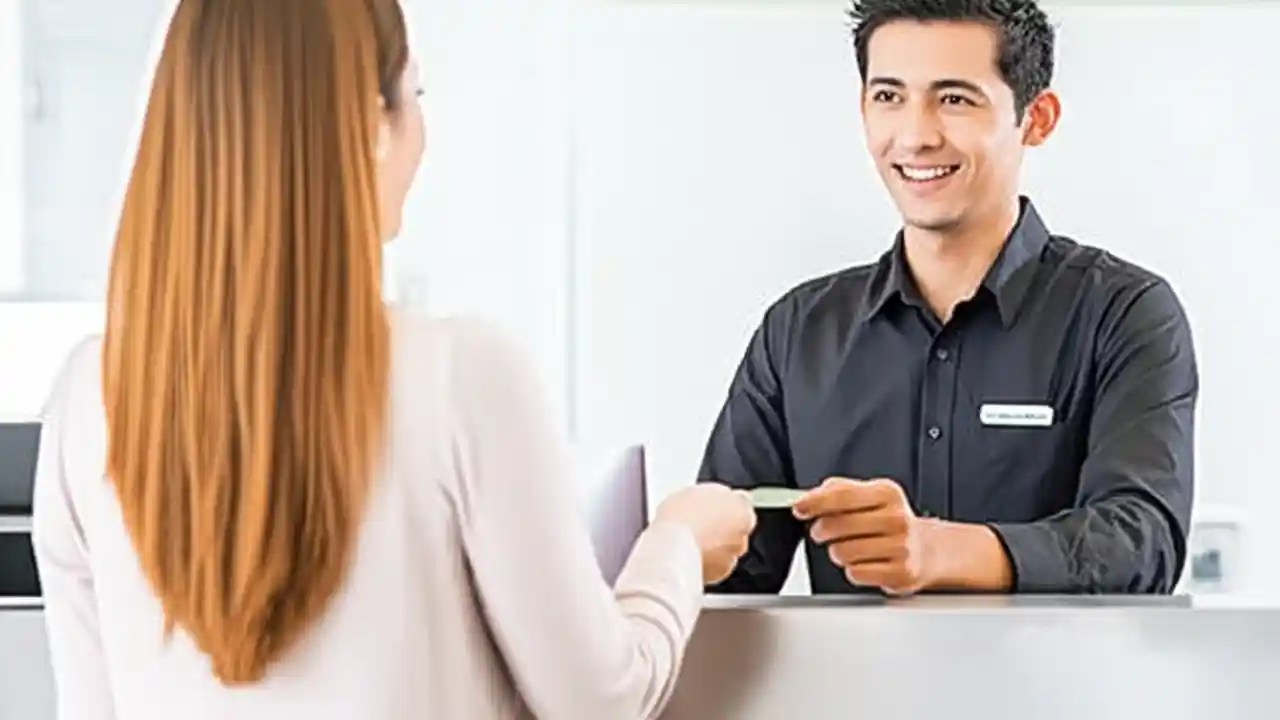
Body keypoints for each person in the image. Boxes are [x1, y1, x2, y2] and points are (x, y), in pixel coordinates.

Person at [31, 1, 756, 718]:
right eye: (415, 96)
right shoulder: (460, 377)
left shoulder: (85, 402)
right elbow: (604, 698)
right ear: (370, 125)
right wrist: (679, 541)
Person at [697, 0, 1197, 597]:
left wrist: (942, 550)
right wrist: (668, 551)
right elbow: (731, 577)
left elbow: (1141, 544)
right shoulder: (798, 331)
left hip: (1052, 691)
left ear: (1036, 118)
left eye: (955, 99)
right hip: (849, 691)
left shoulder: (1124, 314)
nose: (915, 136)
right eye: (889, 97)